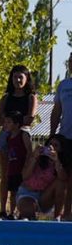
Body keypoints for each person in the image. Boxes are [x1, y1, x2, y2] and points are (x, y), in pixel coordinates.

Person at [0, 65, 37, 219]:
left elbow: (29, 119)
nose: (18, 80)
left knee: (21, 175)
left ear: (27, 79)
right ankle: (3, 210)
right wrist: (9, 124)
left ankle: (18, 210)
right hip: (7, 135)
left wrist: (14, 122)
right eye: (15, 77)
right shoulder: (6, 97)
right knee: (6, 174)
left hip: (22, 135)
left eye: (21, 77)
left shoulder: (31, 97)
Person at [15, 136, 64, 221]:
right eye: (50, 144)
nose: (51, 147)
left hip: (44, 196)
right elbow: (24, 176)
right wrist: (34, 157)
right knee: (28, 211)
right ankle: (27, 216)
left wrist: (56, 161)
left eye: (56, 145)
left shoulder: (61, 163)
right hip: (27, 193)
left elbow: (63, 178)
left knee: (60, 182)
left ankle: (57, 218)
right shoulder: (37, 158)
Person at [49, 53, 72, 220]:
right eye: (71, 61)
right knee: (63, 176)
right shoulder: (63, 85)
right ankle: (60, 214)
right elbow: (57, 110)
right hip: (66, 137)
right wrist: (52, 133)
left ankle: (69, 213)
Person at [0, 111, 31, 219]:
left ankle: (22, 212)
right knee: (12, 192)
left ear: (17, 124)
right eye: (5, 122)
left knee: (22, 192)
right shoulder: (8, 138)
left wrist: (27, 167)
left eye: (9, 122)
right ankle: (12, 212)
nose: (6, 125)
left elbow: (29, 152)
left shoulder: (23, 135)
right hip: (12, 169)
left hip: (22, 169)